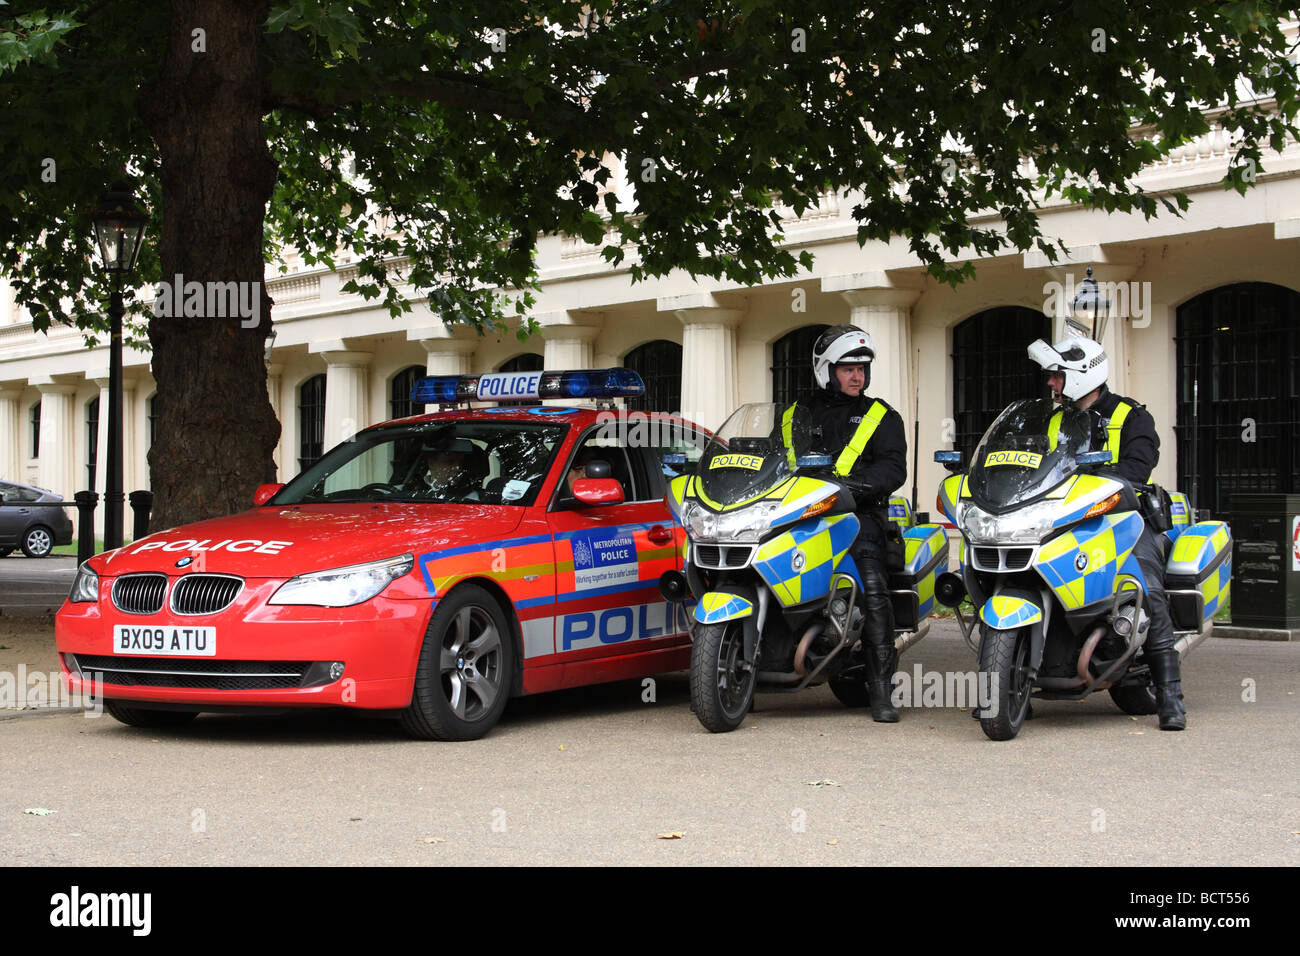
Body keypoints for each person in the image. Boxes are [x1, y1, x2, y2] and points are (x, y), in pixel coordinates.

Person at [1028, 335, 1186, 731]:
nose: (1051, 384)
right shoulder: (1052, 420)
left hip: (1127, 519)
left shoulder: (1132, 417)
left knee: (1144, 587)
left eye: (1057, 376)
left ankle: (1170, 698)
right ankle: (1009, 685)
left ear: (1082, 375)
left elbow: (1138, 469)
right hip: (1061, 520)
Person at [784, 325, 908, 722]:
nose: (857, 376)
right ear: (826, 369)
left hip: (857, 516)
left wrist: (858, 486)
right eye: (847, 368)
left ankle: (881, 690)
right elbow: (773, 459)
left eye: (862, 369)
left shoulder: (881, 416)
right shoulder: (793, 416)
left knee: (872, 589)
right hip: (795, 516)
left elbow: (893, 467)